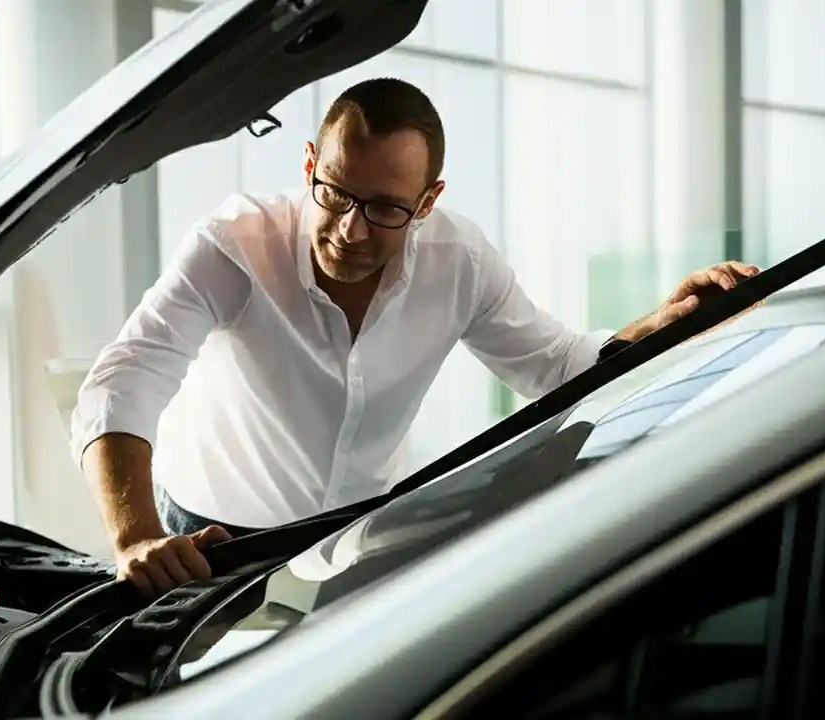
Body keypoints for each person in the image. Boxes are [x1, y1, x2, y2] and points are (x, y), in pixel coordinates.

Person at [70, 78, 759, 595]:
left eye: (386, 208)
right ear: (310, 165)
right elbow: (126, 379)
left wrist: (659, 323)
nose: (350, 228)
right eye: (336, 193)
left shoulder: (458, 260)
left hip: (357, 541)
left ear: (428, 201)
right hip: (210, 540)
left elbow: (554, 364)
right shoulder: (233, 246)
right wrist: (135, 538)